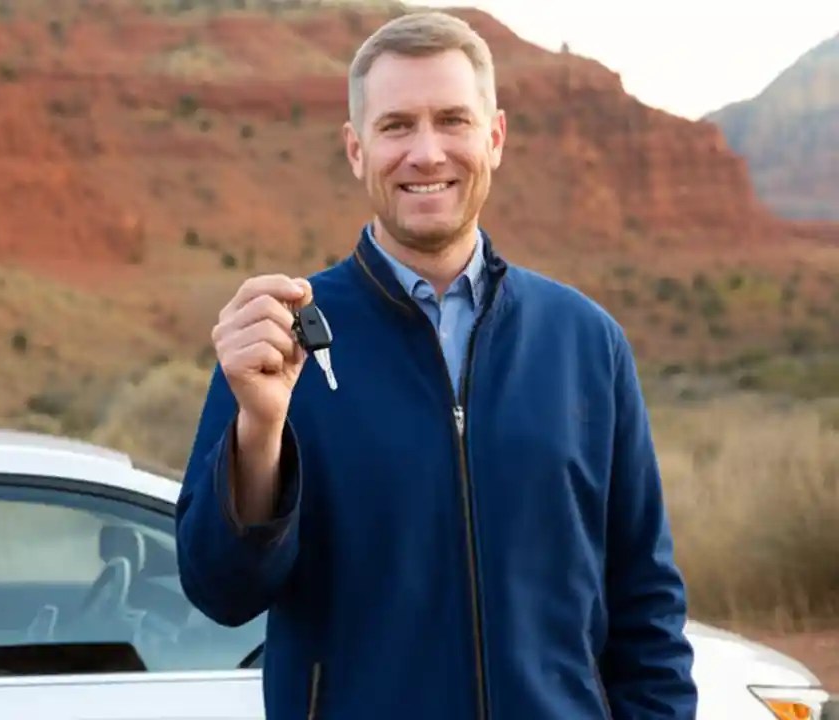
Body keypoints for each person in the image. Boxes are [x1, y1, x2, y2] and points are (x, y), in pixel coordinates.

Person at [175, 9, 698, 720]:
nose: (426, 154)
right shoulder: (276, 342)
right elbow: (221, 591)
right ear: (356, 149)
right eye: (397, 126)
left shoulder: (587, 343)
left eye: (453, 120)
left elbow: (648, 609)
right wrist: (261, 430)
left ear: (495, 137)